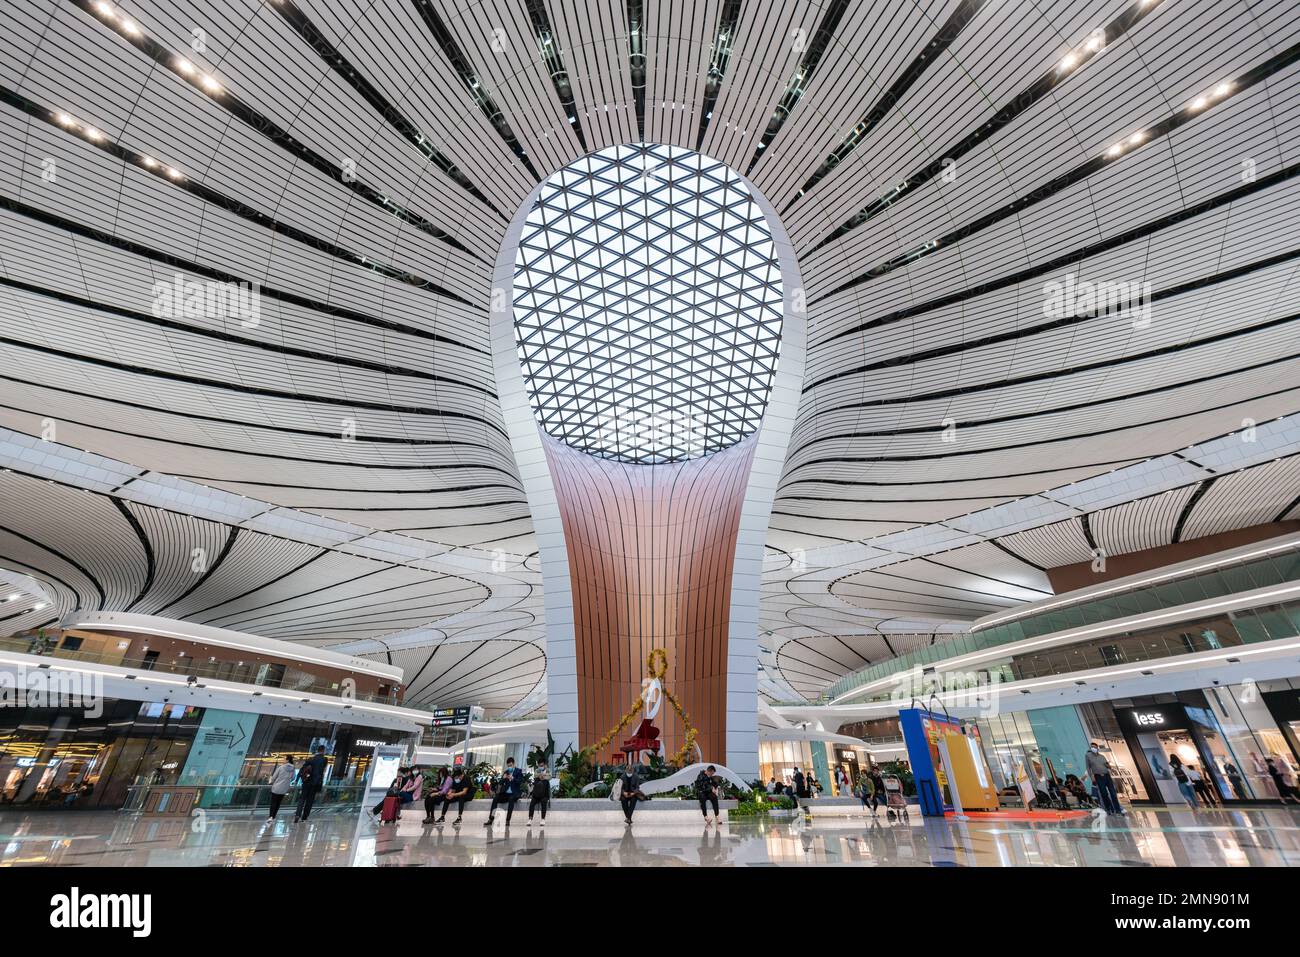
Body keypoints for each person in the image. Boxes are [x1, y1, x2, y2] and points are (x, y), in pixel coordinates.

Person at [485, 757, 524, 828]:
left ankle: (507, 820)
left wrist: (513, 778)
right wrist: (503, 778)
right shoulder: (506, 772)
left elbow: (519, 782)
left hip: (514, 793)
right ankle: (491, 819)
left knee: (511, 799)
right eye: (508, 766)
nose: (510, 767)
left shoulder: (518, 771)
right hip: (506, 793)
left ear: (514, 764)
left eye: (511, 765)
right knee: (495, 798)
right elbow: (500, 783)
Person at [1085, 742, 1123, 815]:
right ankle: (1109, 809)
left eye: (1094, 747)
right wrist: (1092, 777)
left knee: (1113, 794)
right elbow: (1088, 767)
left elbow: (1108, 766)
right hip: (1098, 776)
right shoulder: (1088, 756)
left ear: (1097, 748)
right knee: (1104, 794)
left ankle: (1118, 810)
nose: (1093, 748)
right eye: (1091, 747)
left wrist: (1108, 766)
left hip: (1107, 776)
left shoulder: (1102, 756)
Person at [294, 745, 328, 822]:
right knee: (310, 800)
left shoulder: (311, 759)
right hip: (315, 783)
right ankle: (304, 817)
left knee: (302, 799)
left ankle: (297, 814)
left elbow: (302, 769)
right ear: (323, 750)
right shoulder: (324, 759)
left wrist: (297, 779)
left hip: (306, 781)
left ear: (317, 750)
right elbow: (321, 771)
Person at [266, 756, 295, 821]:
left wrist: (272, 782)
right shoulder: (293, 769)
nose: (284, 760)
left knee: (273, 802)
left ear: (287, 760)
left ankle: (271, 816)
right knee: (278, 803)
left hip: (277, 787)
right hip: (284, 788)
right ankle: (274, 816)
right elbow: (293, 778)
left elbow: (274, 777)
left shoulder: (281, 767)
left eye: (285, 759)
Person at [527, 761, 551, 826]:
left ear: (545, 765)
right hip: (536, 793)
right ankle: (530, 819)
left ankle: (543, 819)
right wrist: (540, 776)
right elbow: (535, 776)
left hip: (544, 794)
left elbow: (549, 777)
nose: (541, 767)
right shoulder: (537, 770)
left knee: (544, 802)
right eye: (540, 765)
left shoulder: (548, 770)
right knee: (532, 803)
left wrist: (544, 776)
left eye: (542, 765)